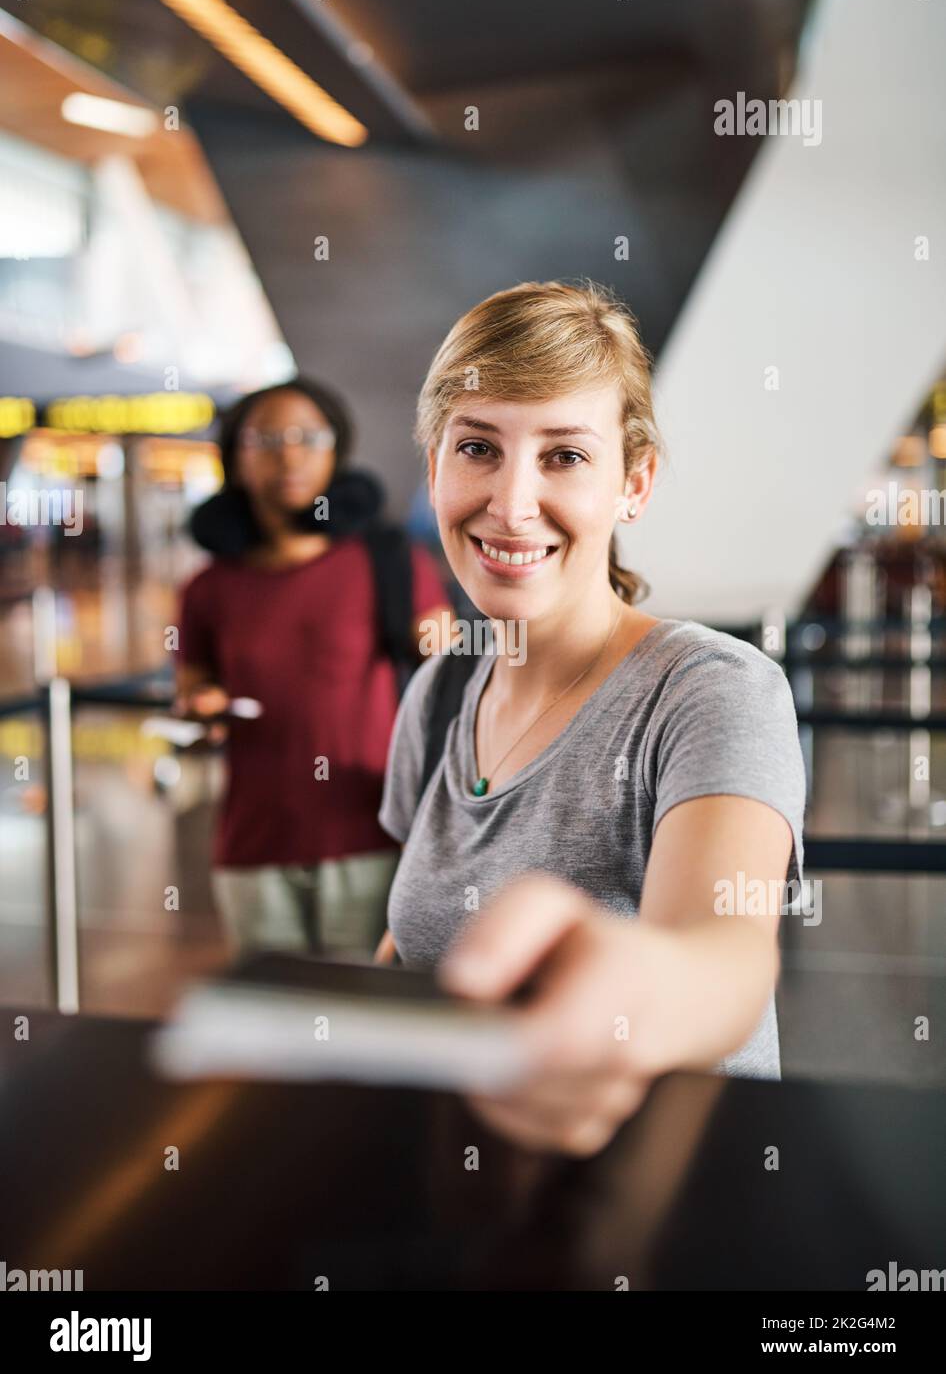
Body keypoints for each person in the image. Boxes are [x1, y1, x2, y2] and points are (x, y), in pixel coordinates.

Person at [375, 281, 806, 1156]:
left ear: (633, 483)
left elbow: (726, 955)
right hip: (468, 1196)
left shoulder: (709, 691)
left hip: (674, 1208)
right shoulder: (444, 690)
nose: (510, 502)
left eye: (564, 457)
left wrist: (628, 996)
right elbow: (409, 943)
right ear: (434, 468)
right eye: (478, 448)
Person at [176, 378, 450, 957]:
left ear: (336, 452)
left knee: (362, 1012)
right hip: (254, 838)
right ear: (234, 456)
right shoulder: (208, 588)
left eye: (309, 437)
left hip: (369, 833)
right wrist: (202, 707)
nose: (290, 453)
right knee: (273, 1017)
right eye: (267, 438)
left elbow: (447, 660)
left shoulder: (388, 560)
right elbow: (193, 685)